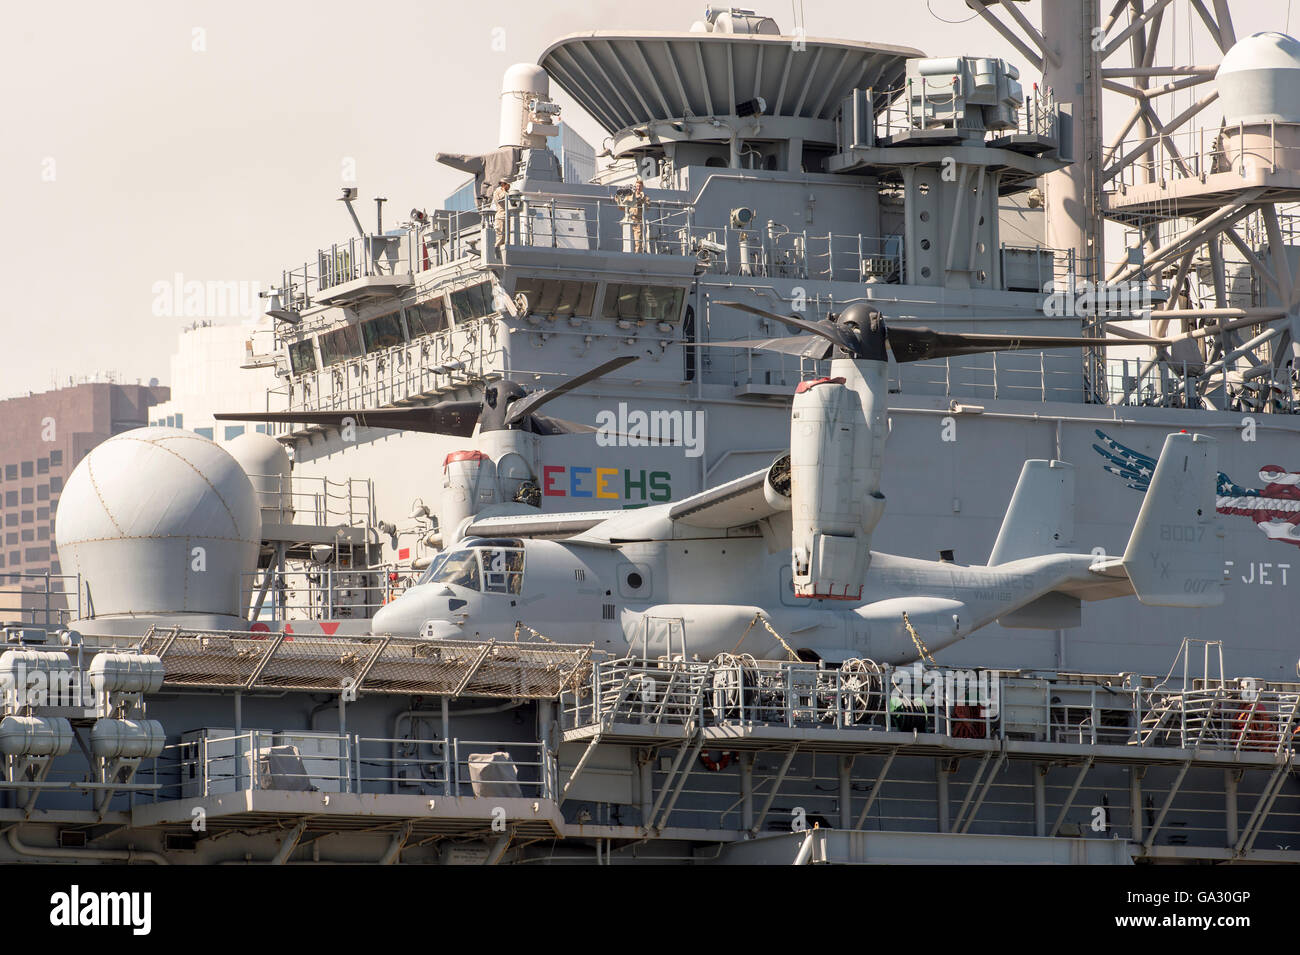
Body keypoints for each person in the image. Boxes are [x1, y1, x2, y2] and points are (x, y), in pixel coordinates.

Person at [619, 176, 649, 253]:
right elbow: (622, 207)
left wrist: (641, 200)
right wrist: (619, 199)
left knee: (638, 241)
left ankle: (637, 254)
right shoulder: (630, 196)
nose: (638, 188)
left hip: (638, 221)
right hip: (629, 219)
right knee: (627, 239)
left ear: (642, 187)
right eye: (637, 186)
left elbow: (647, 207)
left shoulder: (645, 197)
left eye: (640, 186)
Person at [491, 178, 510, 253]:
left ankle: (503, 249)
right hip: (501, 216)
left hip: (507, 216)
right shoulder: (499, 191)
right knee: (501, 236)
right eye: (506, 184)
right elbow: (500, 200)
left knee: (507, 236)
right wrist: (504, 190)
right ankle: (497, 251)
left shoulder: (506, 191)